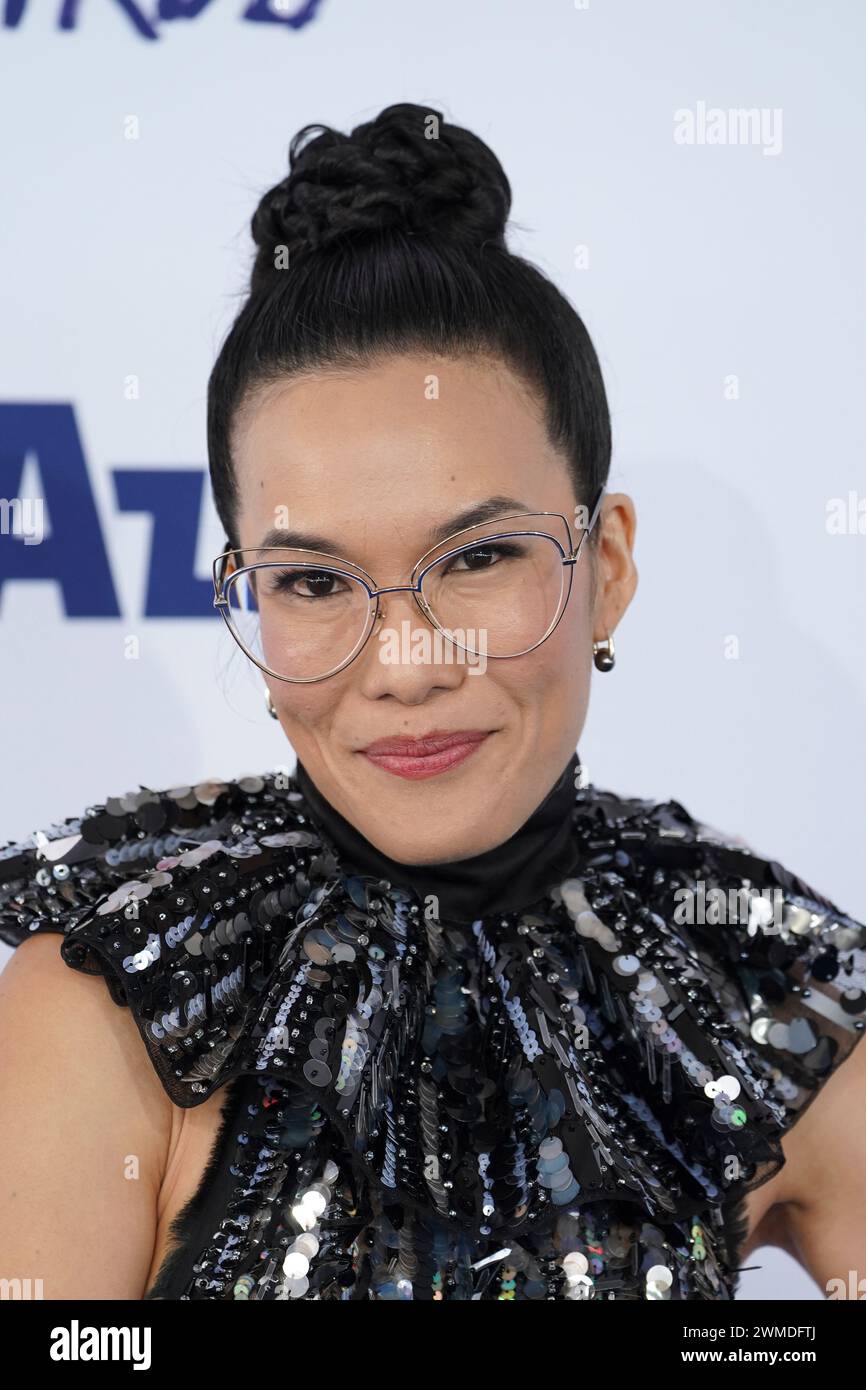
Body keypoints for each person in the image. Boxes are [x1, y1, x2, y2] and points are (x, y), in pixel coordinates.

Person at [1, 103, 864, 1302]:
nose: (405, 664)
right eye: (313, 581)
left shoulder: (758, 990)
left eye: (477, 557)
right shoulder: (120, 1000)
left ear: (606, 567)